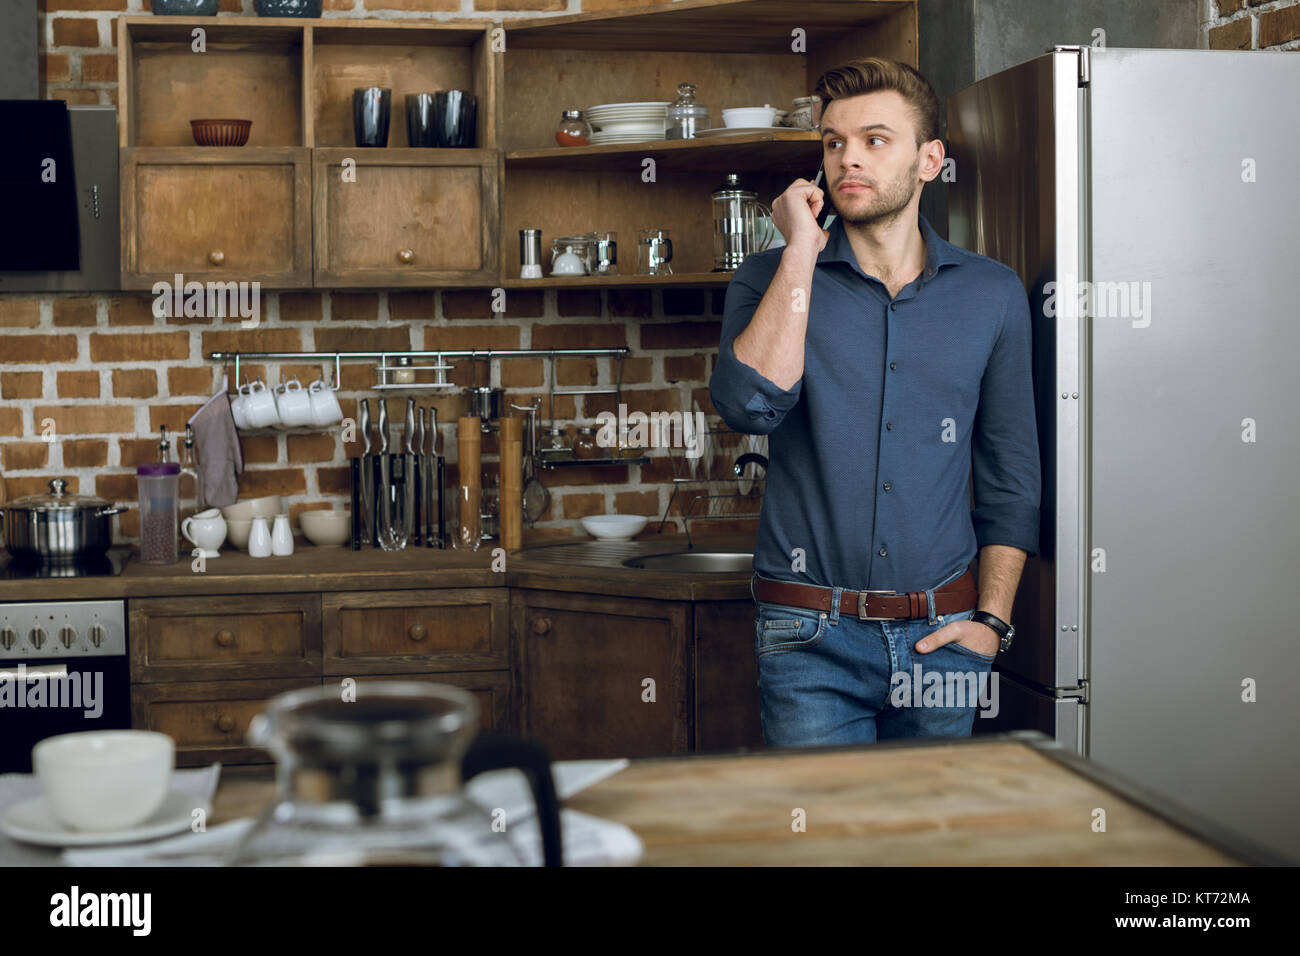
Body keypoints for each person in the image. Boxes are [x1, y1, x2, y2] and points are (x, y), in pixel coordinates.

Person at [709, 58, 1041, 746]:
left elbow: (1012, 470)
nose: (848, 159)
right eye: (833, 143)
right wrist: (799, 249)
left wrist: (993, 622)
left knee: (927, 846)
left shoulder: (992, 293)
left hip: (945, 637)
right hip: (808, 637)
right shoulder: (767, 278)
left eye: (874, 140)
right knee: (825, 845)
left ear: (930, 160)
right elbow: (749, 407)